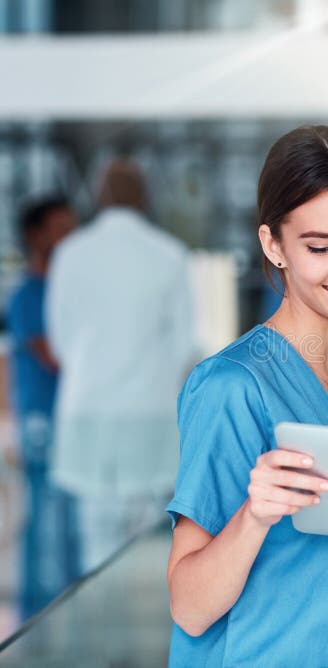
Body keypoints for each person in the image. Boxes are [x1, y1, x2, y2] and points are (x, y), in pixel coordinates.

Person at [166, 125, 328, 667]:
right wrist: (255, 515)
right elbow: (190, 607)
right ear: (273, 245)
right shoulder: (232, 388)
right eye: (321, 246)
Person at [45, 160, 197, 571]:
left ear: (99, 196)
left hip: (87, 407)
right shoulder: (169, 254)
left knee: (94, 530)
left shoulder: (71, 253)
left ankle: (95, 618)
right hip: (149, 409)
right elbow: (184, 343)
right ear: (144, 197)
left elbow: (59, 337)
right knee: (145, 532)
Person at [6, 195, 79, 617]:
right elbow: (54, 356)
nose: (69, 237)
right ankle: (36, 617)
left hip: (69, 423)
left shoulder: (64, 289)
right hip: (41, 421)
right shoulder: (28, 295)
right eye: (59, 228)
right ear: (35, 235)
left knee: (66, 522)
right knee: (45, 521)